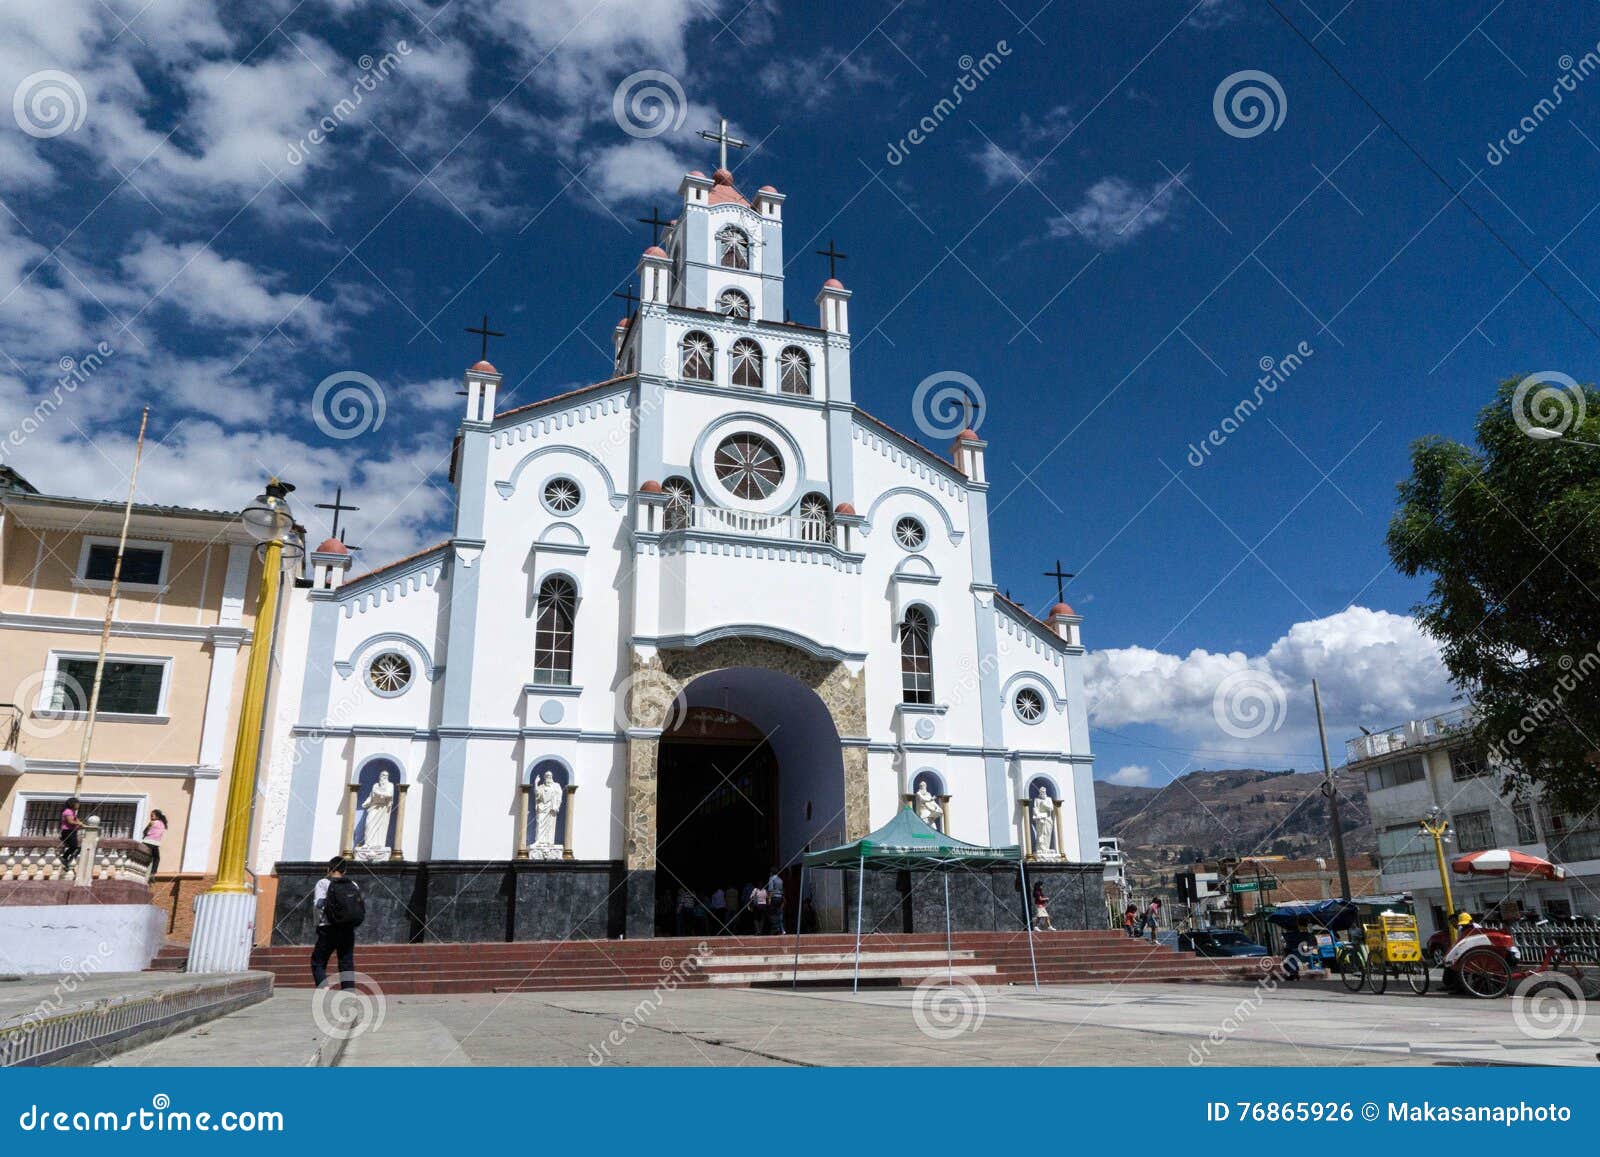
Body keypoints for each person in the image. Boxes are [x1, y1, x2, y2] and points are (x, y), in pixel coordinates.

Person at [311, 856, 363, 989]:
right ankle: (349, 991)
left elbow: (318, 905)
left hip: (328, 928)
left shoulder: (323, 883)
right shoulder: (353, 885)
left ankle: (323, 987)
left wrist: (318, 923)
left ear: (328, 869)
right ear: (344, 871)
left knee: (318, 961)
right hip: (347, 928)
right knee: (346, 962)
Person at [58, 797, 82, 873]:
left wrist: (83, 825)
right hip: (67, 831)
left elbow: (76, 820)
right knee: (74, 847)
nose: (78, 805)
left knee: (77, 849)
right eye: (77, 804)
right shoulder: (68, 811)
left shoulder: (72, 812)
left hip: (72, 831)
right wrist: (79, 823)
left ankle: (67, 861)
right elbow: (70, 821)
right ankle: (64, 858)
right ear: (73, 804)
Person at [141, 809, 167, 875]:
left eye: (152, 816)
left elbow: (144, 831)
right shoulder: (163, 824)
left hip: (147, 842)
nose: (151, 817)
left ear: (157, 816)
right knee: (156, 858)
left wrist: (145, 833)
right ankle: (153, 873)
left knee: (144, 856)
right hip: (155, 843)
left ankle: (143, 870)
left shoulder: (152, 822)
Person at [766, 867, 786, 935]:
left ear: (771, 872)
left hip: (774, 897)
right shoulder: (780, 879)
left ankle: (776, 928)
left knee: (772, 913)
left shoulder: (771, 878)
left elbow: (770, 889)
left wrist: (769, 899)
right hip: (780, 897)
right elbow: (782, 890)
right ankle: (782, 929)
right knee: (779, 913)